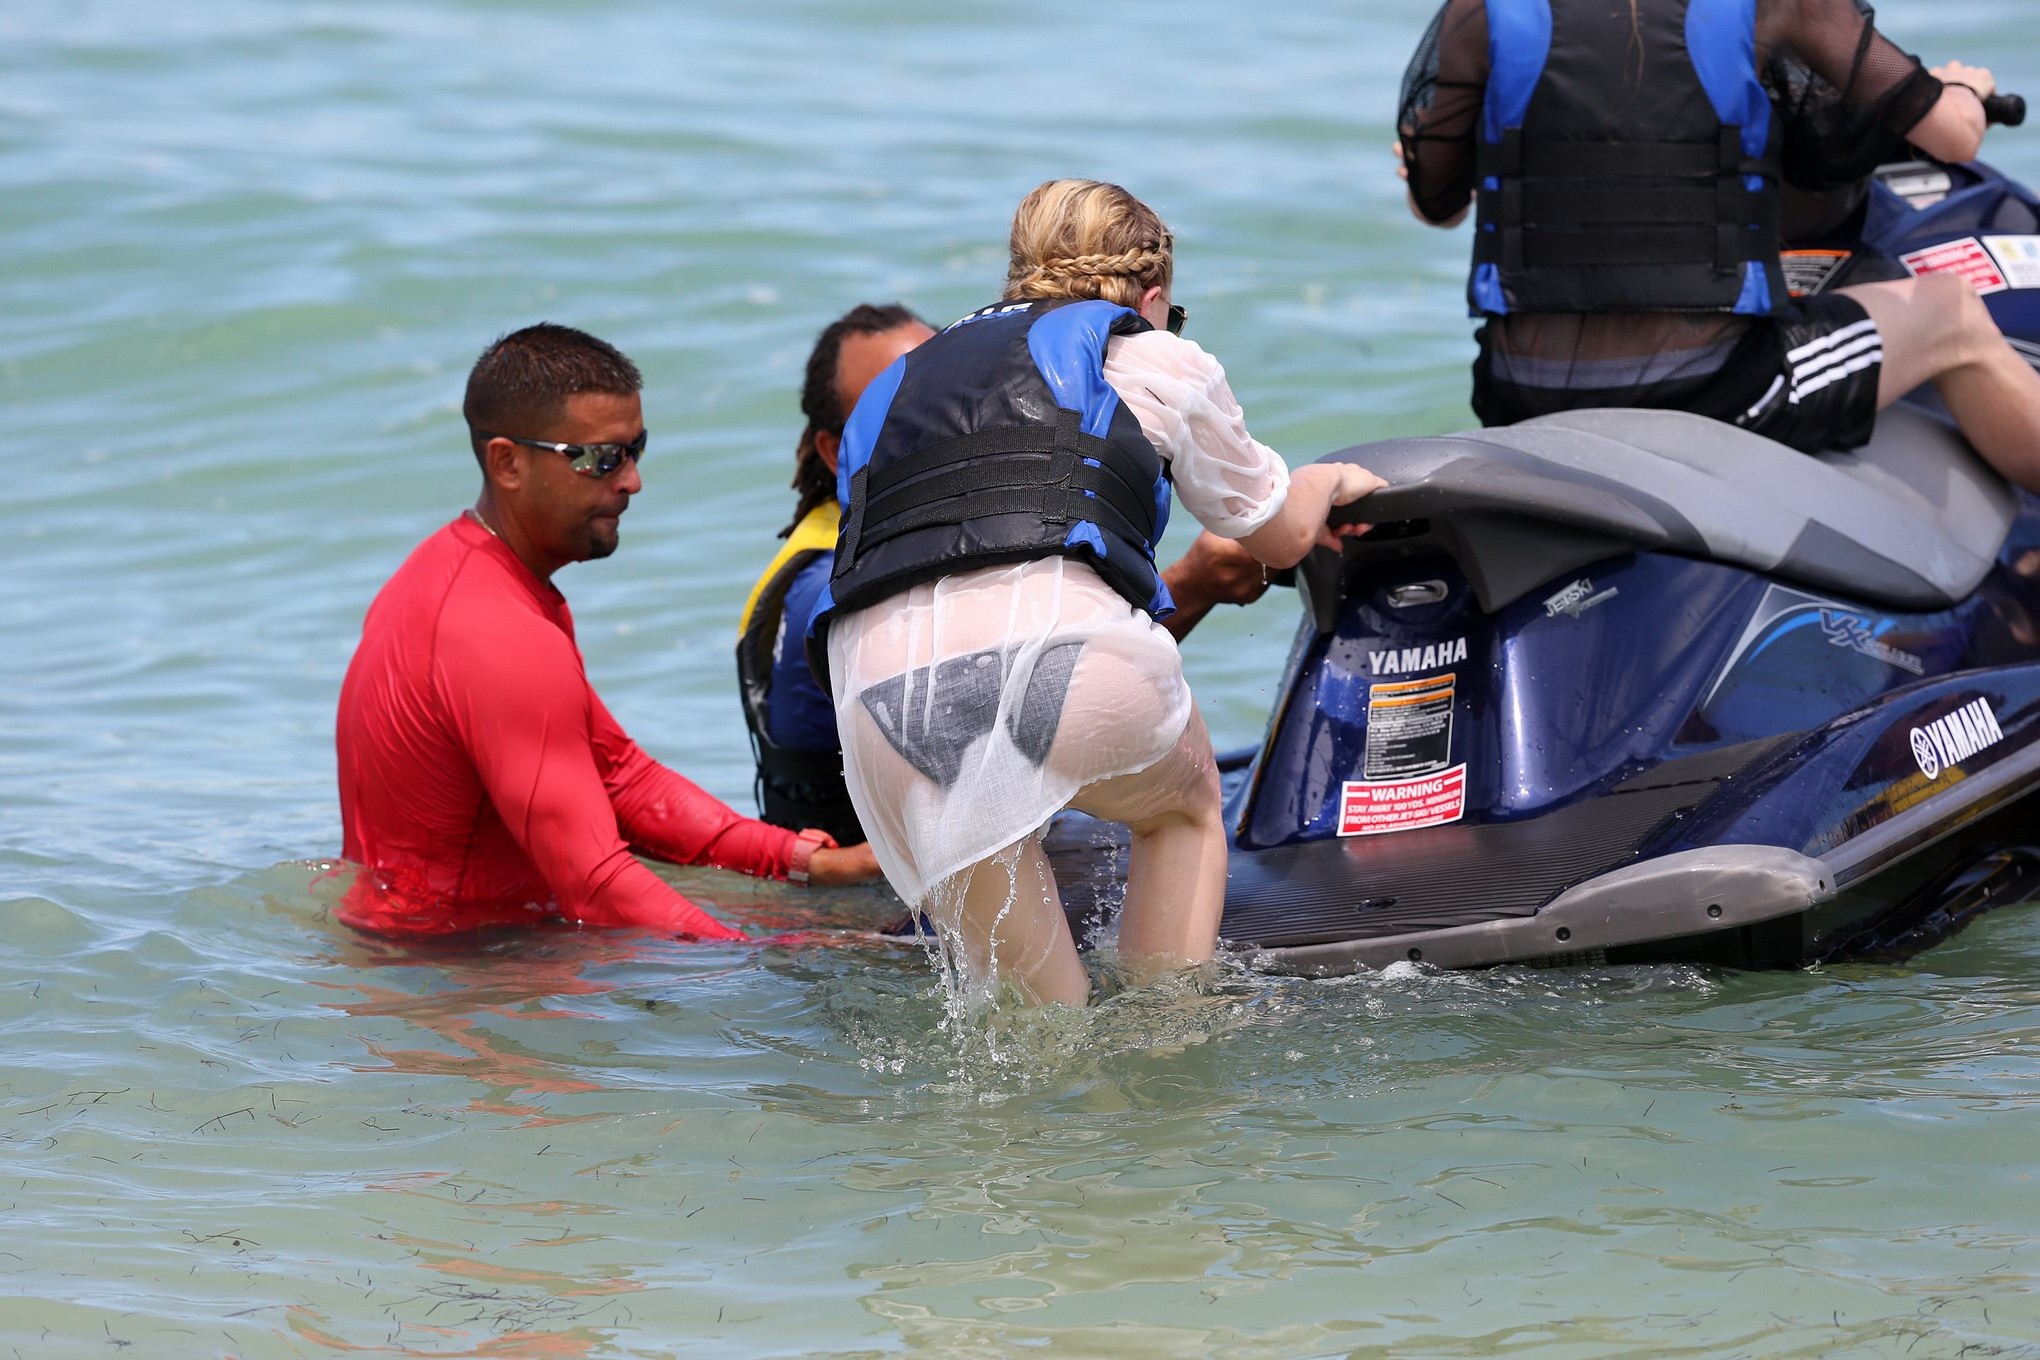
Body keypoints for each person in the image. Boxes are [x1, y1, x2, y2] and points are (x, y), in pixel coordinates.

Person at [805, 180, 1386, 1007]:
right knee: (1183, 810)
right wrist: (1324, 480)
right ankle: (1167, 1033)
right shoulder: (1149, 351)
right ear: (1152, 298)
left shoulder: (905, 380)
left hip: (880, 708)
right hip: (1062, 659)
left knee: (1041, 1035)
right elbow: (1276, 535)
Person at [335, 323, 880, 940]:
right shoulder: (497, 631)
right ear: (507, 462)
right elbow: (594, 882)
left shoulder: (463, 574)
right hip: (461, 978)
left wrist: (802, 861)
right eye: (601, 458)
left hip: (428, 952)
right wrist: (760, 956)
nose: (631, 480)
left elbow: (619, 775)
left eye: (635, 449)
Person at [1396, 0, 2040, 489]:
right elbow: (1953, 138)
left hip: (1515, 398)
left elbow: (1437, 206)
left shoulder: (1478, 14)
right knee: (1953, 313)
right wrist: (1963, 91)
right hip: (1712, 396)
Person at [738, 304, 1289, 847]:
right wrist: (1196, 583)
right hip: (869, 903)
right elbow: (997, 719)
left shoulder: (880, 544)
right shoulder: (831, 589)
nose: (934, 417)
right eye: (896, 413)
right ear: (837, 451)